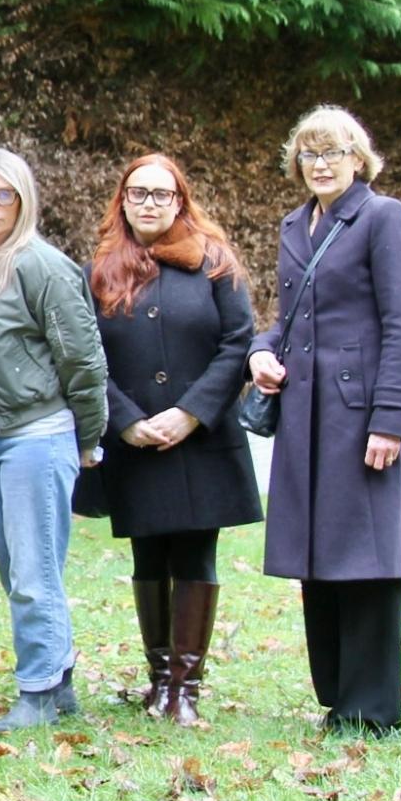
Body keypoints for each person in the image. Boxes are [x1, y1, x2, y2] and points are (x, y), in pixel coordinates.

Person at [247, 106, 401, 735]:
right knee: (318, 556)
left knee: (368, 556)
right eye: (309, 154)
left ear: (358, 158)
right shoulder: (295, 224)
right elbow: (289, 318)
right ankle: (337, 697)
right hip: (305, 416)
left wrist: (391, 418)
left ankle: (370, 709)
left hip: (361, 416)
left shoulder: (384, 217)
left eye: (333, 153)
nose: (320, 165)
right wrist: (260, 352)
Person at [89, 154, 260, 725]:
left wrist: (191, 413)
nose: (149, 203)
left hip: (201, 438)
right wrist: (125, 419)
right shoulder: (100, 269)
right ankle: (159, 681)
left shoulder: (215, 262)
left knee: (194, 555)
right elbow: (87, 355)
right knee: (148, 556)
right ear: (123, 201)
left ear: (180, 201)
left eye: (161, 194)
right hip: (134, 440)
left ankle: (186, 689)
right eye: (138, 193)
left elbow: (238, 341)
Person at [0, 148, 107, 733]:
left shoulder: (43, 266)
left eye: (5, 195)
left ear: (24, 201)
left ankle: (37, 693)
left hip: (38, 435)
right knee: (14, 566)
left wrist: (89, 436)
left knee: (34, 571)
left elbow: (83, 357)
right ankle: (58, 680)